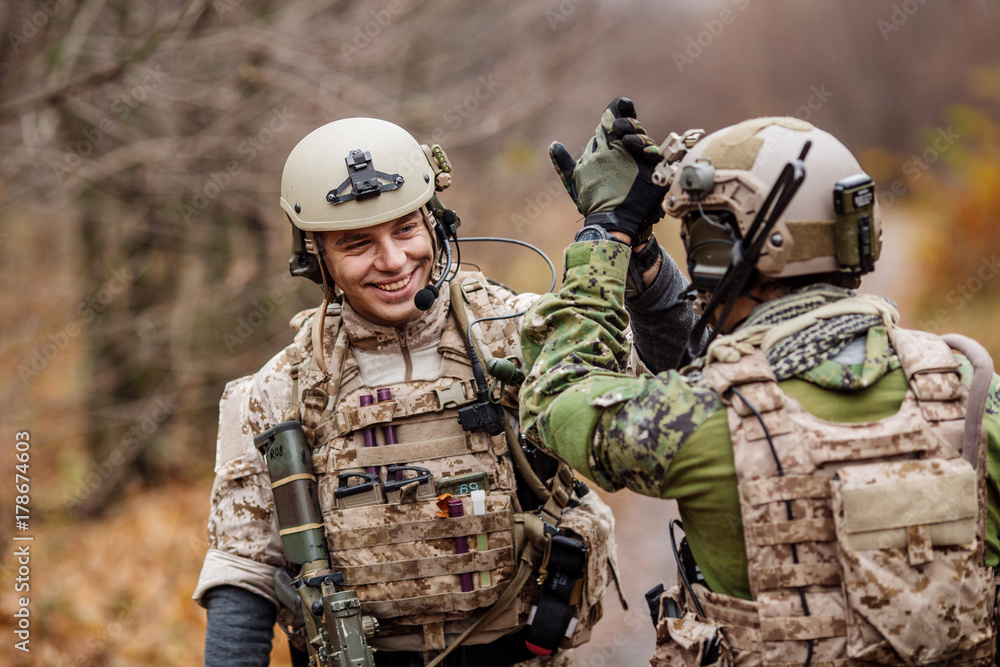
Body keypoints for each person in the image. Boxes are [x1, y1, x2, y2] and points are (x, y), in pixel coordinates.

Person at [192, 114, 700, 667]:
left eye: (405, 230)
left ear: (435, 222)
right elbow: (244, 574)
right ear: (317, 256)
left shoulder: (517, 333)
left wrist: (639, 248)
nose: (392, 261)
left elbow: (670, 381)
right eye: (357, 244)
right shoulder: (282, 389)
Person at [521, 115, 1000, 666]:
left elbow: (557, 393)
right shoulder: (969, 390)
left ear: (718, 251)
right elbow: (724, 354)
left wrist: (607, 235)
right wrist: (647, 263)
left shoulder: (703, 419)